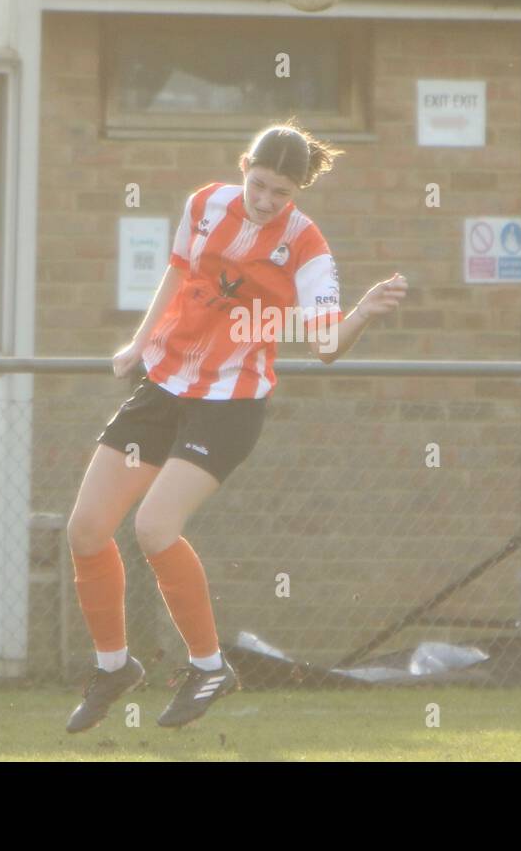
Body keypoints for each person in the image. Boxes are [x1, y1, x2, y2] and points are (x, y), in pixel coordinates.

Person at [64, 120, 408, 732]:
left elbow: (325, 345)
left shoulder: (307, 245)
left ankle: (209, 666)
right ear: (244, 165)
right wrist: (139, 343)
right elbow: (175, 275)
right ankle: (114, 667)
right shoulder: (204, 203)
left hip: (230, 404)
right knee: (87, 529)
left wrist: (363, 313)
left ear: (298, 191)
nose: (267, 199)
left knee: (153, 528)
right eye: (260, 183)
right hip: (164, 386)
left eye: (282, 191)